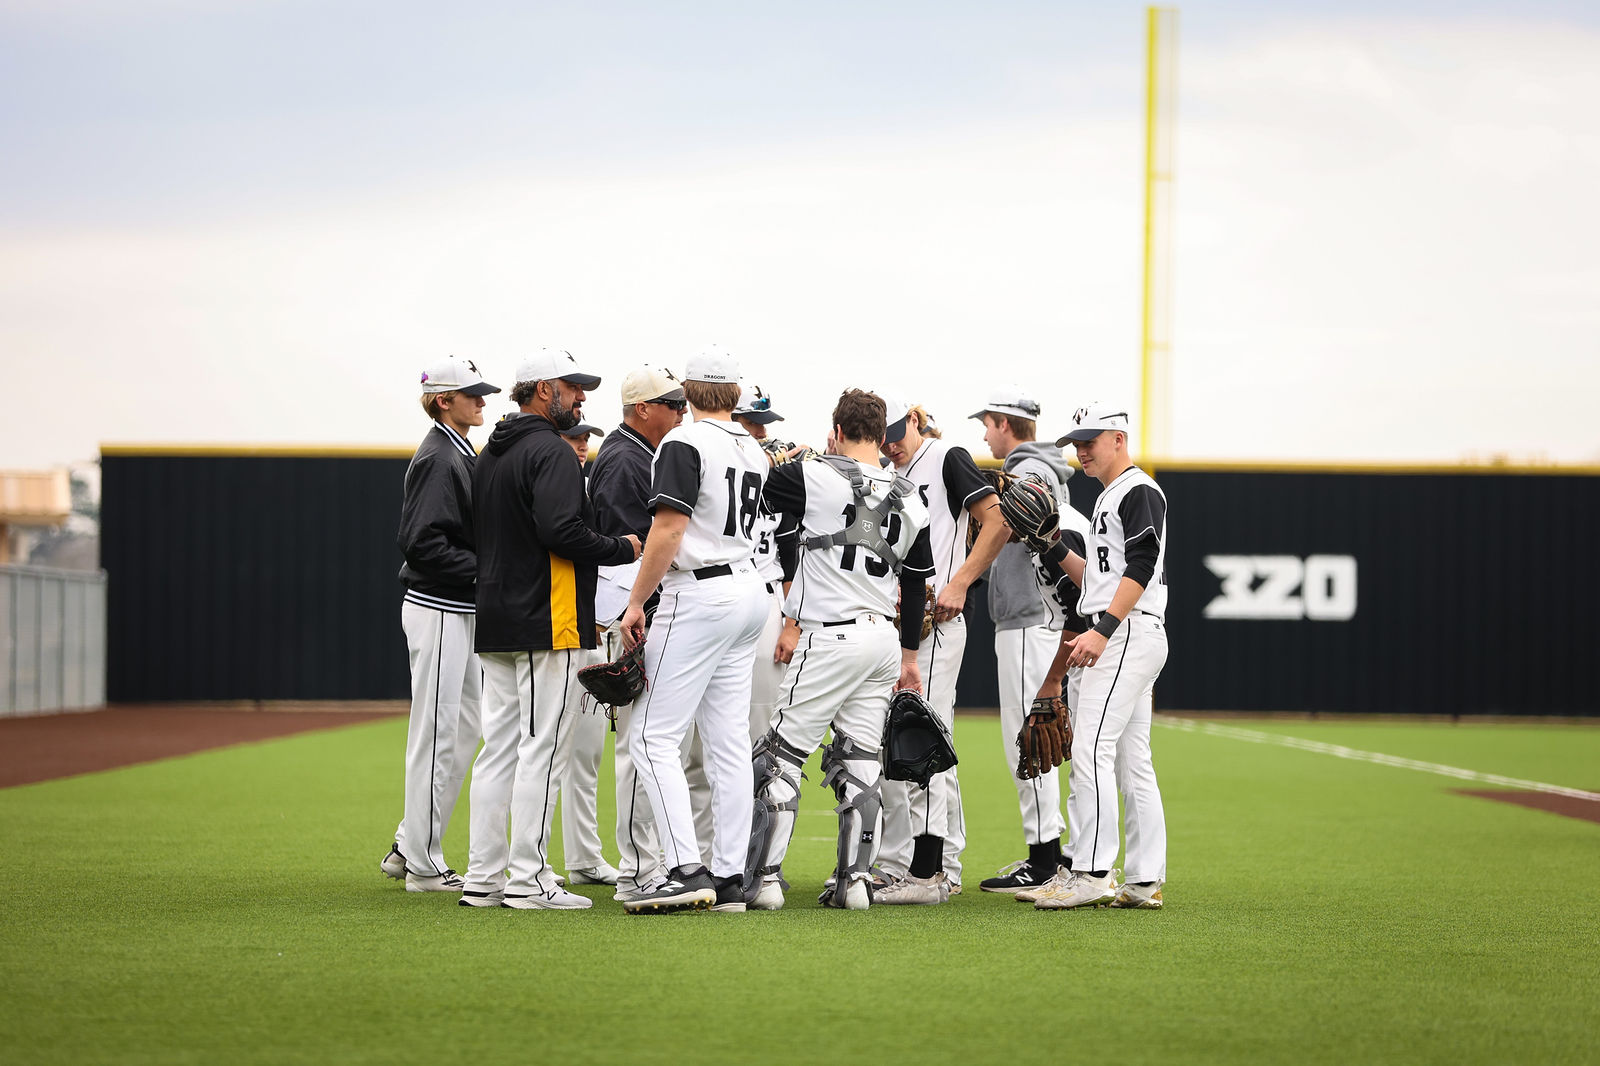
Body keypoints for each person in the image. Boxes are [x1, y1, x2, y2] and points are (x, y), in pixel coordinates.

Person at [462, 349, 641, 910]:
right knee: (544, 747)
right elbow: (559, 529)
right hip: (547, 615)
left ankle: (483, 876)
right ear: (544, 389)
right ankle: (528, 879)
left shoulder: (491, 451)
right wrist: (620, 547)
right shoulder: (553, 453)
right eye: (573, 386)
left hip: (496, 613)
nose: (582, 396)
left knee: (500, 749)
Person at [746, 388, 933, 911]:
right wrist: (911, 657)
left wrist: (794, 456)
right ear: (882, 434)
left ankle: (763, 883)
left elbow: (759, 482)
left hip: (830, 634)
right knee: (860, 762)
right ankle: (854, 884)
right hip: (884, 641)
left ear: (837, 430)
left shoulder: (813, 474)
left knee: (778, 759)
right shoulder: (914, 496)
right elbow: (917, 583)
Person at [618, 345, 770, 914]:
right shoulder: (753, 448)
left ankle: (688, 869)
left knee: (652, 738)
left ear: (687, 391)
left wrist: (637, 602)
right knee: (727, 739)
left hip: (701, 592)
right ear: (735, 394)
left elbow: (669, 529)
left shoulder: (685, 441)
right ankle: (729, 876)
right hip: (748, 588)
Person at [1030, 402, 1169, 911]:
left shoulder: (1138, 490)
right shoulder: (1112, 495)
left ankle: (1091, 872)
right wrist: (1051, 545)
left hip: (1126, 631)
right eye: (1076, 442)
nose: (1081, 450)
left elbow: (1144, 563)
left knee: (1091, 750)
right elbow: (1098, 578)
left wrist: (1104, 631)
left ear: (1118, 436)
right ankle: (1144, 879)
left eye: (1090, 440)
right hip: (1130, 630)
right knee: (1133, 762)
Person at [874, 397, 1012, 900]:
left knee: (920, 737)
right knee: (926, 736)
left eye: (895, 429)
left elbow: (999, 522)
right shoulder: (889, 470)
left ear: (914, 418)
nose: (888, 440)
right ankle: (944, 862)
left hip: (936, 616)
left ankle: (929, 872)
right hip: (903, 620)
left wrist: (960, 583)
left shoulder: (946, 454)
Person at [381, 355, 499, 892]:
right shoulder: (438, 455)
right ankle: (424, 865)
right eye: (471, 393)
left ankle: (410, 842)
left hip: (459, 609)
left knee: (465, 729)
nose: (482, 399)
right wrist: (493, 571)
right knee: (436, 732)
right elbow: (422, 543)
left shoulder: (459, 448)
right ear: (443, 399)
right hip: (439, 607)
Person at [970, 387, 1077, 894]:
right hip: (1038, 619)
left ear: (1005, 424)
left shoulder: (1030, 470)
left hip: (1027, 620)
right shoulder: (1046, 466)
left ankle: (1044, 861)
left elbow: (1015, 522)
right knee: (1036, 739)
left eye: (987, 423)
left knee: (1029, 739)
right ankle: (1050, 855)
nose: (984, 432)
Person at [587, 366, 686, 902]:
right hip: (626, 613)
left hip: (633, 609)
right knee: (635, 742)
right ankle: (635, 869)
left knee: (645, 740)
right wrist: (636, 609)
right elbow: (628, 549)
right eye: (671, 403)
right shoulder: (625, 459)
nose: (680, 411)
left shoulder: (640, 455)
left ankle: (642, 862)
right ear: (642, 409)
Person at [556, 421, 621, 888]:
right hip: (557, 631)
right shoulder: (548, 484)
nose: (582, 445)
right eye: (573, 437)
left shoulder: (585, 483)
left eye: (585, 438)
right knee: (543, 752)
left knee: (585, 753)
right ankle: (515, 863)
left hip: (589, 628)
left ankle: (583, 859)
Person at [732, 384, 797, 742]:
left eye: (764, 424)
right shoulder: (704, 470)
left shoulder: (775, 483)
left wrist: (792, 623)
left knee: (763, 721)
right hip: (719, 596)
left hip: (767, 597)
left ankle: (767, 800)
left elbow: (790, 556)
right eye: (753, 423)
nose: (762, 432)